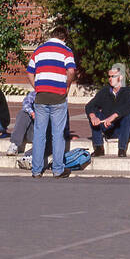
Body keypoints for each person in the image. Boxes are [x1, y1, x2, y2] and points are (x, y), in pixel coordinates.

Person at [27, 27, 77, 179]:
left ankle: (36, 170)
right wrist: (66, 85)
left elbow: (30, 72)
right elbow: (71, 71)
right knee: (57, 134)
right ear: (64, 38)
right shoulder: (66, 50)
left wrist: (37, 87)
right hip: (58, 96)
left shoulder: (39, 50)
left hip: (41, 96)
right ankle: (57, 169)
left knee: (40, 133)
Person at [86, 64, 130, 156]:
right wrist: (93, 117)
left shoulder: (128, 91)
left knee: (128, 115)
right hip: (109, 126)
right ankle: (99, 148)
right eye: (109, 76)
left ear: (120, 77)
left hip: (123, 128)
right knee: (93, 114)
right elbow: (90, 105)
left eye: (113, 76)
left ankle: (122, 149)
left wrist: (113, 117)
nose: (110, 79)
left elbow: (129, 106)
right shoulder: (105, 91)